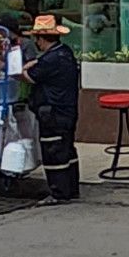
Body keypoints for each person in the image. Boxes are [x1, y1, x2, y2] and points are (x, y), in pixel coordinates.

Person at [25, 13, 82, 203]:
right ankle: (71, 188)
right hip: (67, 110)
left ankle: (59, 192)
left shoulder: (51, 60)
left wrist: (21, 69)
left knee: (54, 152)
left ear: (41, 39)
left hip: (53, 112)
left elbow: (30, 77)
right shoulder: (64, 52)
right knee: (67, 149)